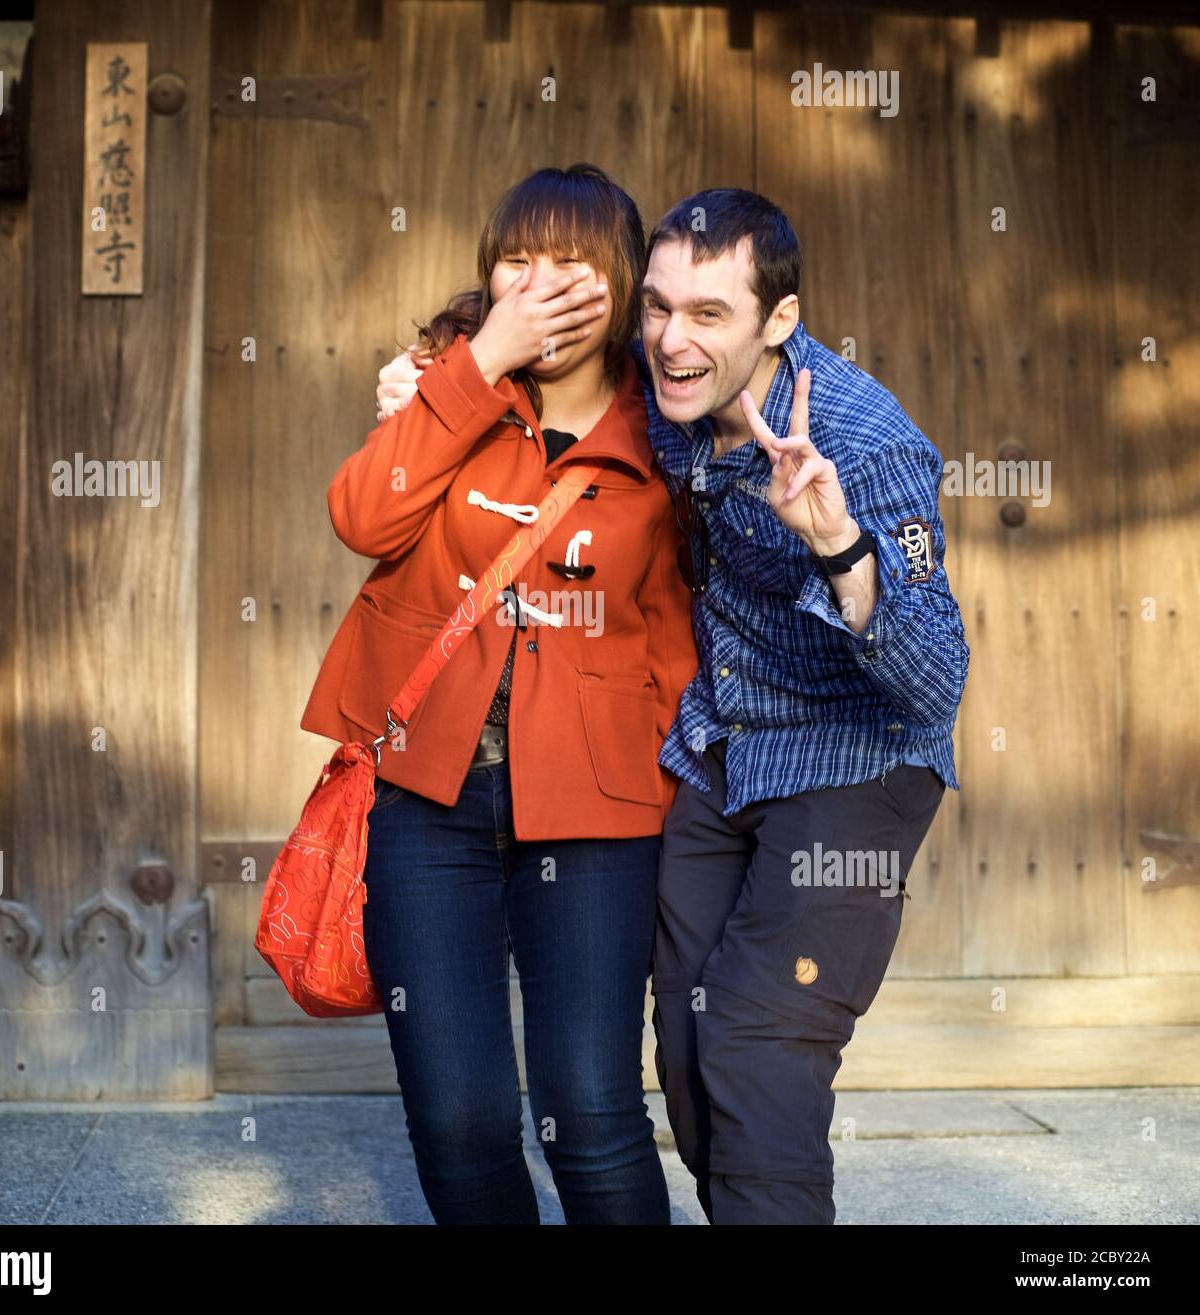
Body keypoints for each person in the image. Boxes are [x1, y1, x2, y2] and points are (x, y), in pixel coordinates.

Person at [380, 185, 969, 1227]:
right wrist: (423, 387)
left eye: (707, 315)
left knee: (752, 1039)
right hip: (719, 750)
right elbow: (531, 376)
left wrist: (838, 547)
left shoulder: (863, 443)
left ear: (778, 321)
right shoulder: (658, 392)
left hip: (852, 757)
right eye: (656, 308)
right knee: (692, 1054)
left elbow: (933, 682)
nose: (670, 339)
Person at [304, 163, 697, 1225]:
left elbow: (688, 636)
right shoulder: (449, 394)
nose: (541, 285)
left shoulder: (670, 436)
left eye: (572, 262)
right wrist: (473, 365)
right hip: (426, 799)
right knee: (459, 1114)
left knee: (591, 1110)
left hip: (596, 807)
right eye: (517, 260)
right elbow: (363, 519)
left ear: (623, 283)